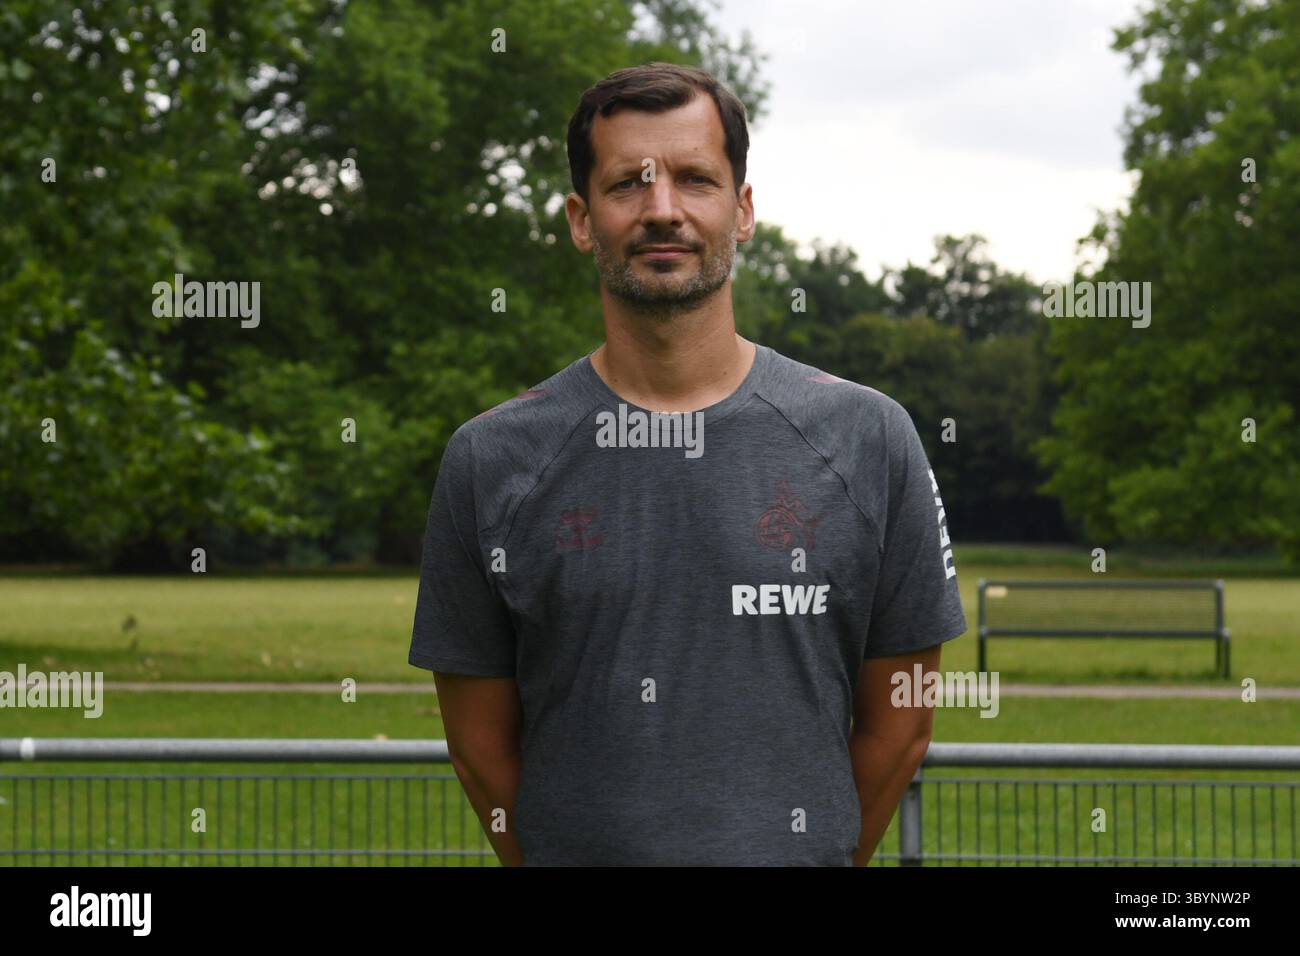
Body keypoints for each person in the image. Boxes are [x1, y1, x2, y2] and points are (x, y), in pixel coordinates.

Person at [408, 62, 967, 866]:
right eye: (628, 185)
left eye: (695, 179)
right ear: (580, 217)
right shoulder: (491, 458)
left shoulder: (871, 439)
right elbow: (478, 747)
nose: (662, 209)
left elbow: (901, 726)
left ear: (742, 211)